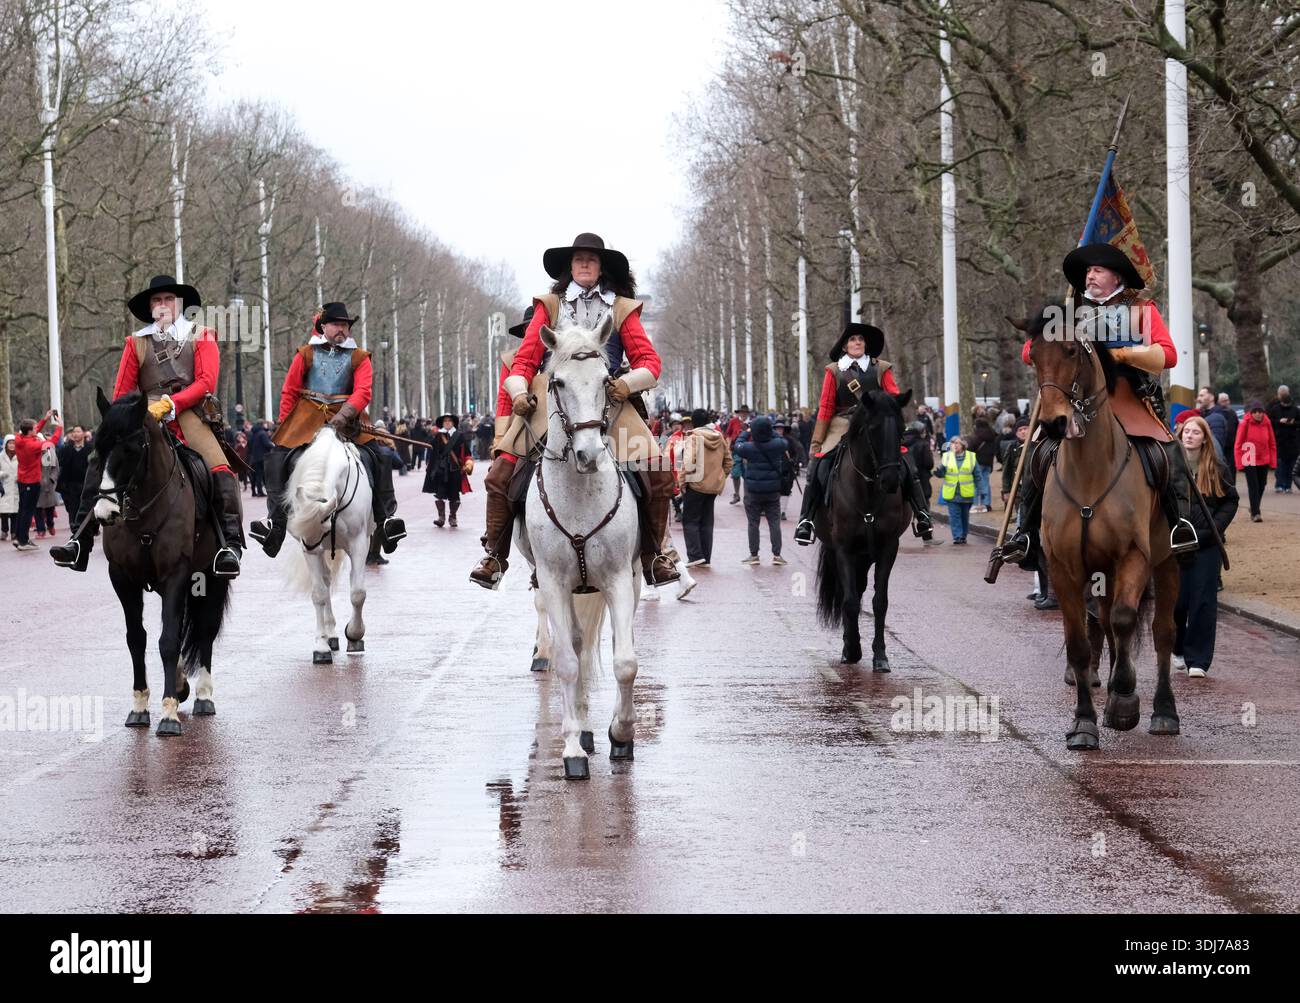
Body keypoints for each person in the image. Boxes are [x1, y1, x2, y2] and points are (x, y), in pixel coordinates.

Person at [471, 232, 679, 590]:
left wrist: (626, 385)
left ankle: (654, 556)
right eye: (578, 258)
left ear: (601, 268)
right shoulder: (548, 305)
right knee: (500, 475)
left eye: (592, 259)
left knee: (659, 470)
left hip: (610, 399)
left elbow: (649, 361)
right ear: (570, 266)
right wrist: (519, 393)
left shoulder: (622, 307)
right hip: (552, 400)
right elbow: (524, 362)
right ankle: (494, 556)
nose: (584, 264)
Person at [1002, 243, 1199, 565]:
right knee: (1037, 449)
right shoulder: (1067, 312)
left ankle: (1179, 524)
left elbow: (1169, 355)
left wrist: (1120, 353)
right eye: (1088, 272)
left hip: (1127, 395)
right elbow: (1029, 352)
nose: (1090, 276)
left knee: (1167, 449)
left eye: (1097, 270)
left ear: (1115, 275)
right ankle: (1024, 532)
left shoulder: (1141, 309)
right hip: (1076, 400)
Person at [52, 275, 243, 576]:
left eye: (168, 299)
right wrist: (125, 417)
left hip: (188, 412)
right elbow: (121, 392)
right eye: (157, 300)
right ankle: (80, 540)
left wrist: (171, 404)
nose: (162, 304)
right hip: (141, 415)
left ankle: (228, 545)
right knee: (97, 459)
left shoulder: (202, 335)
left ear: (179, 304)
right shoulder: (136, 342)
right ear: (151, 307)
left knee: (218, 465)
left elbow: (206, 382)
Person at [248, 301, 406, 558]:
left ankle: (386, 520)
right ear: (323, 326)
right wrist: (285, 423)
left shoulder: (360, 357)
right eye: (336, 324)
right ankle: (274, 525)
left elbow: (363, 392)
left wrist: (342, 417)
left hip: (349, 419)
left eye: (345, 325)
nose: (341, 329)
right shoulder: (305, 353)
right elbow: (289, 390)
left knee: (380, 456)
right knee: (275, 459)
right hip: (306, 418)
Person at [794, 322, 935, 545]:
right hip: (842, 423)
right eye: (852, 340)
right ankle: (806, 520)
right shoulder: (834, 370)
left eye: (860, 339)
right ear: (844, 346)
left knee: (907, 462)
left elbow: (893, 396)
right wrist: (817, 442)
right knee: (818, 466)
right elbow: (826, 406)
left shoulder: (881, 368)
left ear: (865, 344)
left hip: (875, 424)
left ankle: (922, 514)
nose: (857, 342)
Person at [1173, 415, 1238, 678]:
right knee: (1177, 603)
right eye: (1186, 431)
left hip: (1206, 544)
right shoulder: (1169, 466)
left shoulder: (1217, 468)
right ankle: (1177, 647)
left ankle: (1198, 659)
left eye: (1195, 432)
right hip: (1175, 543)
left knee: (1202, 602)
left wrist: (1214, 529)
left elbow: (1230, 501)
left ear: (1204, 438)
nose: (1189, 436)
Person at [733, 415, 787, 566]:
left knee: (753, 523)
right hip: (773, 490)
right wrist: (771, 431)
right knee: (774, 522)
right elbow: (784, 441)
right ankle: (777, 555)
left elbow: (738, 444)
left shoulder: (749, 448)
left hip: (753, 491)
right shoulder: (777, 445)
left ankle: (754, 554)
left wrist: (747, 431)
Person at [12, 410, 61, 551]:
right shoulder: (32, 445)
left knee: (22, 509)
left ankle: (18, 537)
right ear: (29, 432)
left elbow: (34, 430)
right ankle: (23, 541)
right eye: (34, 429)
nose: (36, 430)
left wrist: (44, 419)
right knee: (28, 511)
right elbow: (51, 443)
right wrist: (60, 427)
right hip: (31, 481)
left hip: (22, 479)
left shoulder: (19, 438)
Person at [423, 413, 471, 527]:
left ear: (453, 423)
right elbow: (431, 449)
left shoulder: (459, 436)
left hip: (455, 470)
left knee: (454, 495)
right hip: (441, 469)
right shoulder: (438, 436)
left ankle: (453, 517)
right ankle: (441, 517)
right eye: (445, 421)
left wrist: (468, 464)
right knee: (440, 494)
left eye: (449, 421)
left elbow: (467, 452)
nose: (447, 423)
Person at [1234, 401, 1277, 522]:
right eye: (1255, 412)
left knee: (1262, 485)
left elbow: (1272, 443)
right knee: (1253, 486)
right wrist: (1239, 463)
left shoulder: (1267, 423)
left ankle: (1254, 506)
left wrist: (1273, 462)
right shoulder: (1244, 424)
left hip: (1263, 458)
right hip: (1249, 458)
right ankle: (1256, 513)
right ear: (1251, 413)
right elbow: (1238, 444)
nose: (1258, 414)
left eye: (1260, 412)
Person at [940, 435, 976, 544]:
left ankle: (963, 535)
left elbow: (977, 474)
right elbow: (942, 472)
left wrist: (982, 491)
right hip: (952, 494)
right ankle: (957, 537)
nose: (954, 445)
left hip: (966, 493)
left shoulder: (971, 457)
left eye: (957, 443)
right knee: (954, 516)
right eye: (952, 443)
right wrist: (939, 472)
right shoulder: (946, 457)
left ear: (963, 445)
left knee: (964, 516)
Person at [56, 423, 91, 529]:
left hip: (86, 482)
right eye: (74, 432)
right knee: (71, 505)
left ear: (84, 434)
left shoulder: (90, 448)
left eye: (78, 431)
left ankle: (87, 525)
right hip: (70, 483)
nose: (75, 434)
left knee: (86, 504)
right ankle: (73, 523)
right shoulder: (66, 449)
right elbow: (61, 463)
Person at [772, 416, 805, 520]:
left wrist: (794, 462)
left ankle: (782, 511)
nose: (779, 430)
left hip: (787, 469)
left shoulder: (790, 441)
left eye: (781, 428)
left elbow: (796, 453)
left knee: (786, 490)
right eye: (777, 428)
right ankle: (776, 510)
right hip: (773, 469)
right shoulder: (770, 440)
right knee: (775, 490)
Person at [1266, 386, 1298, 493]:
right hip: (1279, 440)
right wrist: (1279, 421)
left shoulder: (1295, 410)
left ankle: (1288, 486)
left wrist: (1293, 423)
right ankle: (1279, 484)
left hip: (1292, 442)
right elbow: (1269, 421)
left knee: (1290, 466)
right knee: (1280, 465)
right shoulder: (1274, 408)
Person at [968, 411, 997, 512]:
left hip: (977, 462)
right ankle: (987, 503)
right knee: (986, 482)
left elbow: (970, 449)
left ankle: (976, 503)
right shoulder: (992, 435)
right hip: (988, 462)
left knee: (976, 483)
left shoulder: (975, 437)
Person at [35, 435, 59, 538]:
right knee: (37, 509)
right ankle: (41, 530)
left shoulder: (50, 452)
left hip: (48, 484)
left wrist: (52, 479)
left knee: (49, 508)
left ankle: (50, 524)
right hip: (35, 483)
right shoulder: (31, 454)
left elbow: (55, 468)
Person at [247, 419, 273, 497]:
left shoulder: (253, 434)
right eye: (265, 424)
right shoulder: (262, 433)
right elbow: (266, 444)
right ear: (262, 424)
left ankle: (257, 491)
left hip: (255, 457)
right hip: (263, 457)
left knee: (258, 475)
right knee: (264, 475)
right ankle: (265, 491)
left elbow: (249, 445)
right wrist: (273, 445)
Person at [0, 435, 17, 541]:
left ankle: (14, 532)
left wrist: (20, 476)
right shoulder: (1, 456)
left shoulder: (19, 455)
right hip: (4, 486)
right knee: (4, 511)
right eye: (9, 443)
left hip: (16, 486)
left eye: (13, 443)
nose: (12, 445)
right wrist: (2, 474)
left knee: (16, 511)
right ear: (6, 444)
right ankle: (4, 530)